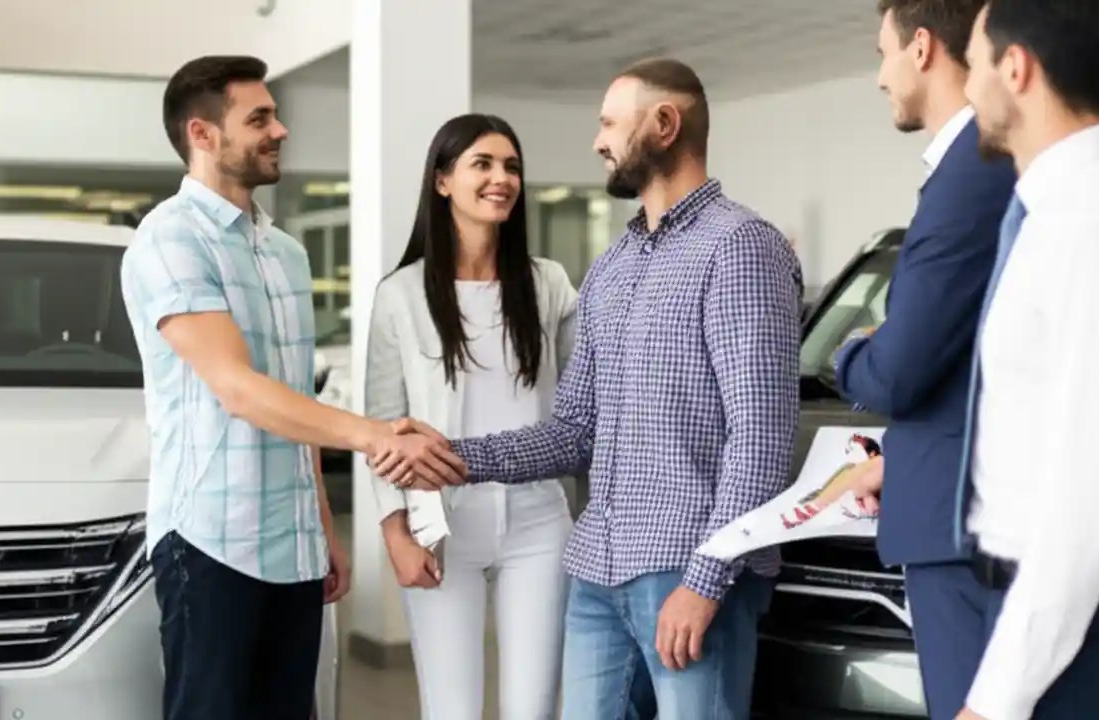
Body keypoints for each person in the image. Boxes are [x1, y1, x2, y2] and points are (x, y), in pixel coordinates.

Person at [378, 58, 802, 720]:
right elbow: (575, 429)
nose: (598, 141)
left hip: (686, 570)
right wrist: (452, 457)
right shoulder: (613, 266)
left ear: (664, 124)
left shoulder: (741, 247)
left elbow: (761, 435)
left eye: (609, 123)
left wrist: (706, 579)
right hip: (598, 571)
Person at [119, 55, 464, 720]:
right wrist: (374, 436)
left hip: (294, 544)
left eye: (275, 116)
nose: (280, 131)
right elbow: (239, 389)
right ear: (202, 134)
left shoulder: (285, 253)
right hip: (211, 540)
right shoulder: (169, 239)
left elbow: (293, 397)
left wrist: (321, 524)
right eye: (259, 119)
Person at [954, 1, 1099, 718]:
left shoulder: (1090, 229)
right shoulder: (1062, 216)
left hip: (1084, 640)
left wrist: (994, 701)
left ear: (1016, 68)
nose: (966, 86)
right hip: (1058, 626)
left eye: (972, 63)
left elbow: (1089, 501)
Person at [829, 2, 1016, 717]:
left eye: (883, 53)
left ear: (922, 48)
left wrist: (851, 352)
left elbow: (901, 368)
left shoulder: (972, 171)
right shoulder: (973, 169)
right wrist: (900, 461)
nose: (881, 76)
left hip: (959, 527)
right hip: (952, 499)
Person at [365, 113, 580, 720]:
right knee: (451, 709)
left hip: (540, 523)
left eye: (511, 166)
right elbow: (383, 425)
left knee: (532, 709)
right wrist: (396, 536)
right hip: (440, 528)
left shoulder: (548, 283)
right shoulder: (401, 294)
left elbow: (582, 405)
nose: (501, 178)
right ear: (442, 181)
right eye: (481, 164)